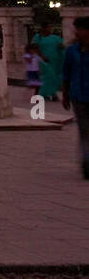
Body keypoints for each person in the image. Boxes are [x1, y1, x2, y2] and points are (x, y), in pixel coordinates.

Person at [61, 16, 89, 178]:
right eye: (76, 29)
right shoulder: (72, 51)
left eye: (81, 29)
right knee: (84, 131)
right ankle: (86, 164)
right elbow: (66, 74)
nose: (77, 32)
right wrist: (65, 95)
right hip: (78, 96)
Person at [33, 19, 65, 100]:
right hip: (44, 62)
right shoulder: (38, 37)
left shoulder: (55, 38)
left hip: (55, 61)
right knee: (48, 77)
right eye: (48, 27)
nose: (50, 29)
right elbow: (34, 49)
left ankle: (51, 93)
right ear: (44, 28)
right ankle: (45, 94)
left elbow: (62, 47)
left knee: (55, 78)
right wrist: (42, 57)